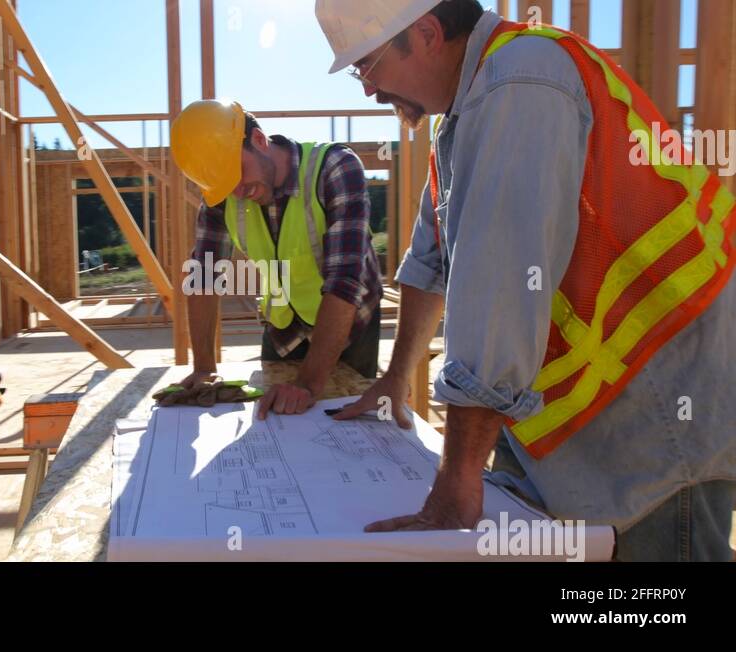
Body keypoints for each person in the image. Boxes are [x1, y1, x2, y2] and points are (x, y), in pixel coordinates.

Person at [315, 0, 735, 560]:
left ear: (428, 34)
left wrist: (459, 474)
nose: (368, 89)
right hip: (570, 424)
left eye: (366, 66)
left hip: (653, 421)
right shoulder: (463, 116)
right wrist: (395, 379)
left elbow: (504, 285)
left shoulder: (521, 81)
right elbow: (428, 263)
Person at [170, 100, 383, 418]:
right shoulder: (225, 193)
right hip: (284, 324)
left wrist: (307, 385)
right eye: (226, 184)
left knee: (345, 419)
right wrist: (203, 368)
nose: (238, 191)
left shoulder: (334, 168)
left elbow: (345, 281)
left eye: (238, 173)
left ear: (258, 140)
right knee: (278, 423)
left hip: (349, 322)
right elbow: (202, 278)